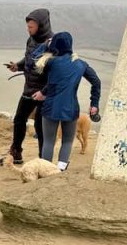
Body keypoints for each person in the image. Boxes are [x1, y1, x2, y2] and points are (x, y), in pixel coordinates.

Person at [32, 32, 101, 171]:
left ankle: (46, 170)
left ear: (55, 44)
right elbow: (96, 82)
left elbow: (33, 58)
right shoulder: (81, 64)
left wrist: (45, 45)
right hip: (71, 108)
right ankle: (61, 169)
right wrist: (94, 104)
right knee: (67, 141)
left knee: (49, 142)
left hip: (50, 107)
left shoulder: (50, 62)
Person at [5, 8, 53, 164]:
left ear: (42, 25)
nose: (28, 29)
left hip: (44, 92)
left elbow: (55, 68)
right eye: (28, 26)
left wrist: (45, 91)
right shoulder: (30, 40)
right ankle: (16, 152)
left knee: (40, 126)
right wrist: (17, 66)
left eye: (31, 27)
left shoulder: (53, 42)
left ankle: (42, 159)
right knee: (19, 119)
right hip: (29, 89)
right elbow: (28, 59)